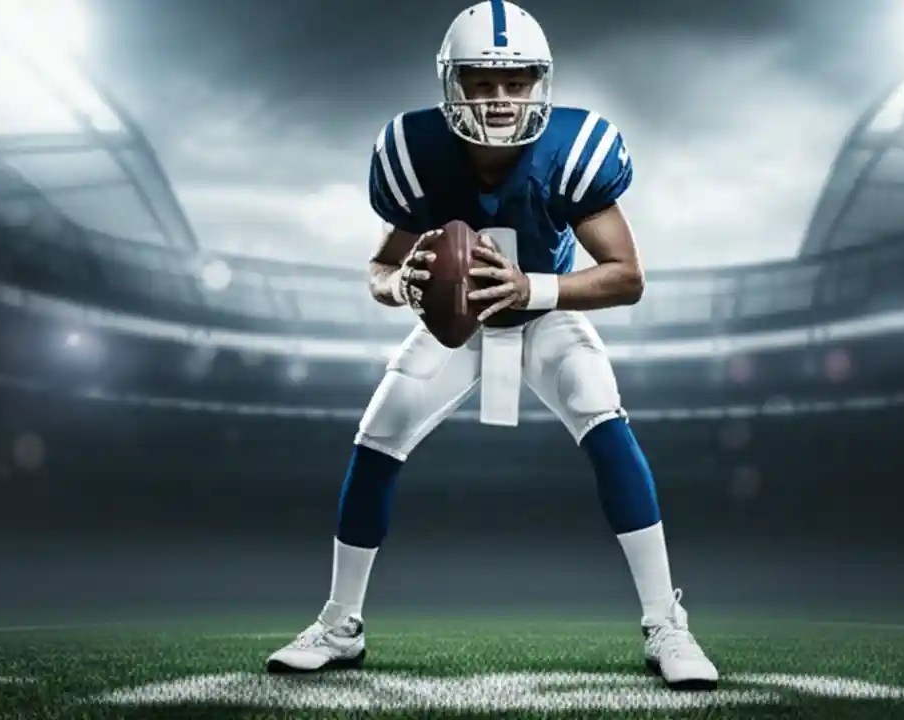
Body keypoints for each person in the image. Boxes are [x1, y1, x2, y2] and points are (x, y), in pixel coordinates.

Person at [266, 0, 719, 690]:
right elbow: (380, 269)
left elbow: (627, 278)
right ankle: (339, 624)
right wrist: (402, 287)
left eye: (516, 81)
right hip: (461, 323)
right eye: (482, 80)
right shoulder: (414, 152)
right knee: (379, 431)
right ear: (454, 83)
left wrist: (529, 290)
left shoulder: (572, 151)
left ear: (540, 83)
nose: (501, 98)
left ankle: (667, 624)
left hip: (544, 313)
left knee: (603, 412)